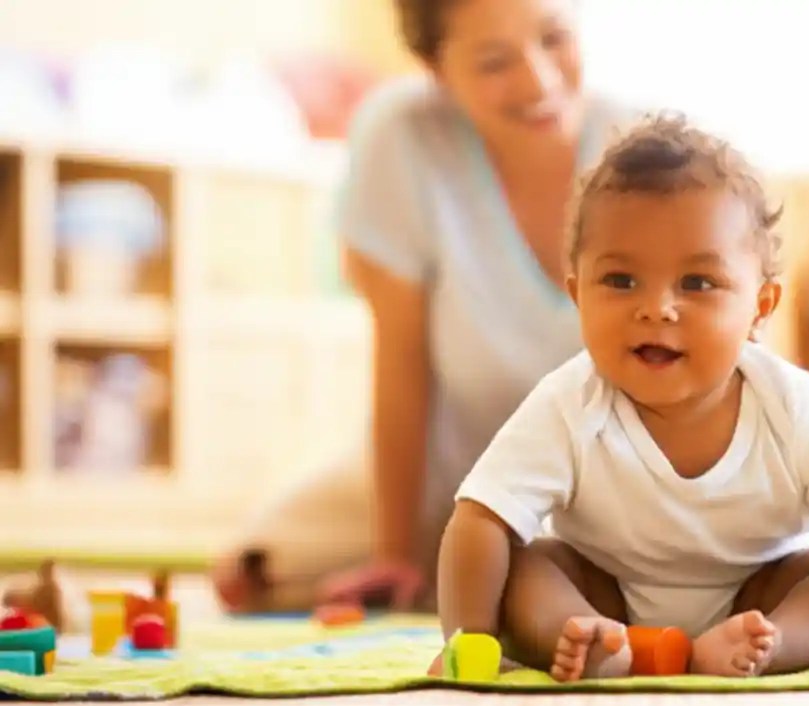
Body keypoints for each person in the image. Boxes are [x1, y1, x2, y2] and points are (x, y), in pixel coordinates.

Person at [434, 115, 809, 681]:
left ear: (760, 306)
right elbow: (480, 519)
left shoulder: (792, 404)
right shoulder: (567, 403)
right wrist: (470, 641)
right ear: (578, 293)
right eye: (621, 281)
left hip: (763, 594)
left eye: (698, 284)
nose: (657, 308)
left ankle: (770, 649)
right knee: (530, 565)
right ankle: (599, 644)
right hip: (604, 596)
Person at [212, 0, 636, 613]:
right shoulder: (402, 134)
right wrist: (394, 552)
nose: (539, 81)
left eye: (554, 38)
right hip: (454, 473)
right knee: (249, 573)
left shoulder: (646, 151)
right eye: (494, 61)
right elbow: (401, 364)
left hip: (605, 491)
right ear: (436, 69)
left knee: (555, 592)